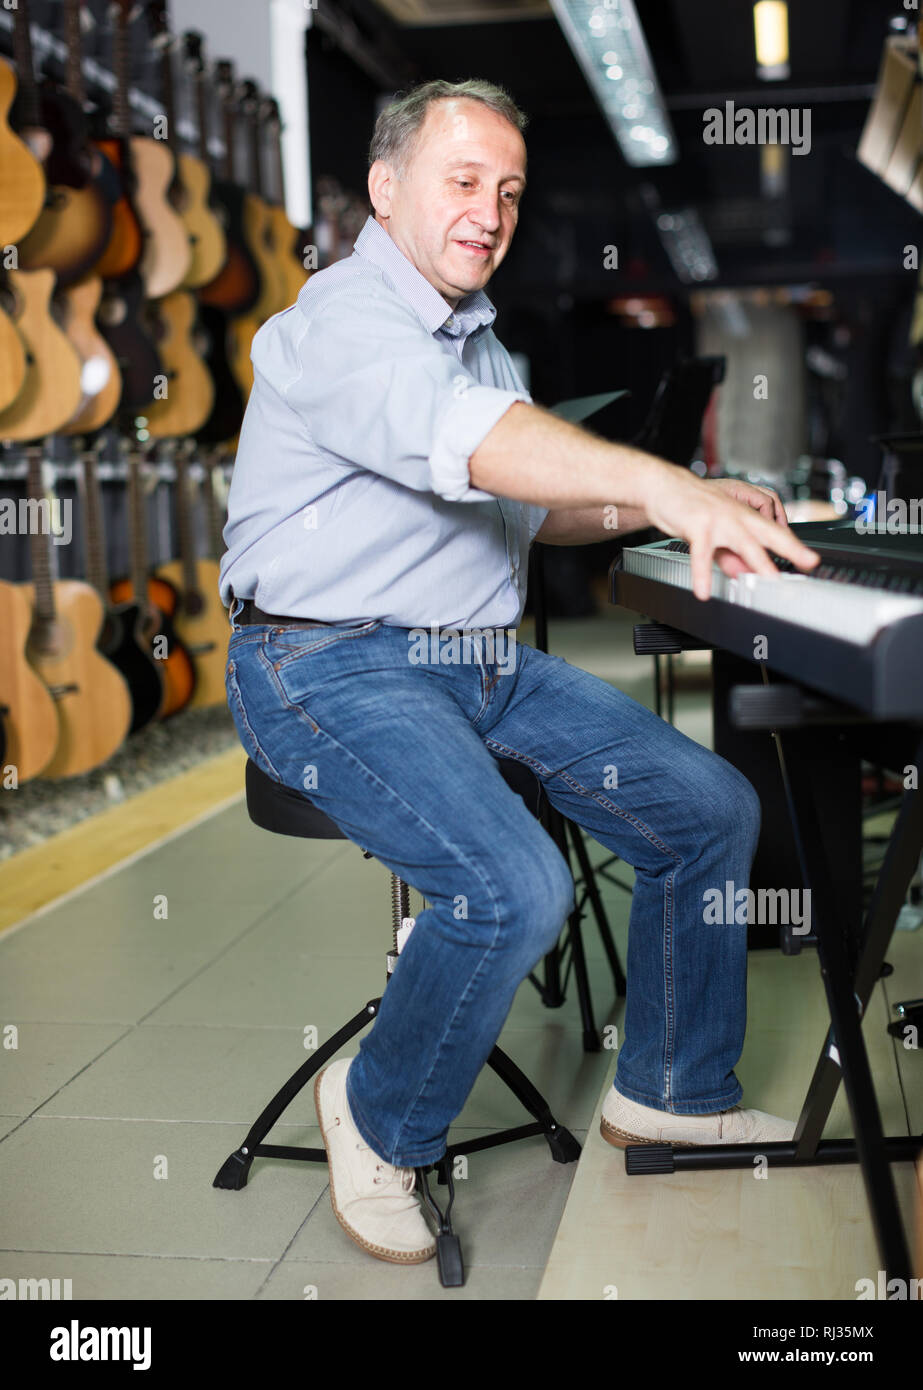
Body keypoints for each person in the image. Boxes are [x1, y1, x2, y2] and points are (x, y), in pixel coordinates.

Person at [218, 79, 821, 1267]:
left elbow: (527, 512)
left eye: (506, 190)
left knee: (710, 809)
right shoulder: (343, 322)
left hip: (474, 663)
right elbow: (470, 442)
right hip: (320, 662)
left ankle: (669, 1087)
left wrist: (678, 504)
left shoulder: (477, 338)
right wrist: (664, 480)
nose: (489, 210)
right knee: (514, 885)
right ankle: (379, 1113)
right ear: (385, 191)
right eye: (462, 180)